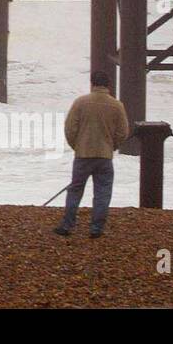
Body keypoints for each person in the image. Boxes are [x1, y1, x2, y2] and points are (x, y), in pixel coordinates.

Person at [54, 71, 130, 238]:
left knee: (75, 190)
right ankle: (96, 228)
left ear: (92, 83)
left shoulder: (81, 102)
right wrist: (112, 146)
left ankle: (67, 225)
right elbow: (123, 132)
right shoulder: (117, 105)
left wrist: (77, 146)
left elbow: (70, 129)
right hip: (104, 155)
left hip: (83, 154)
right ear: (108, 85)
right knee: (102, 192)